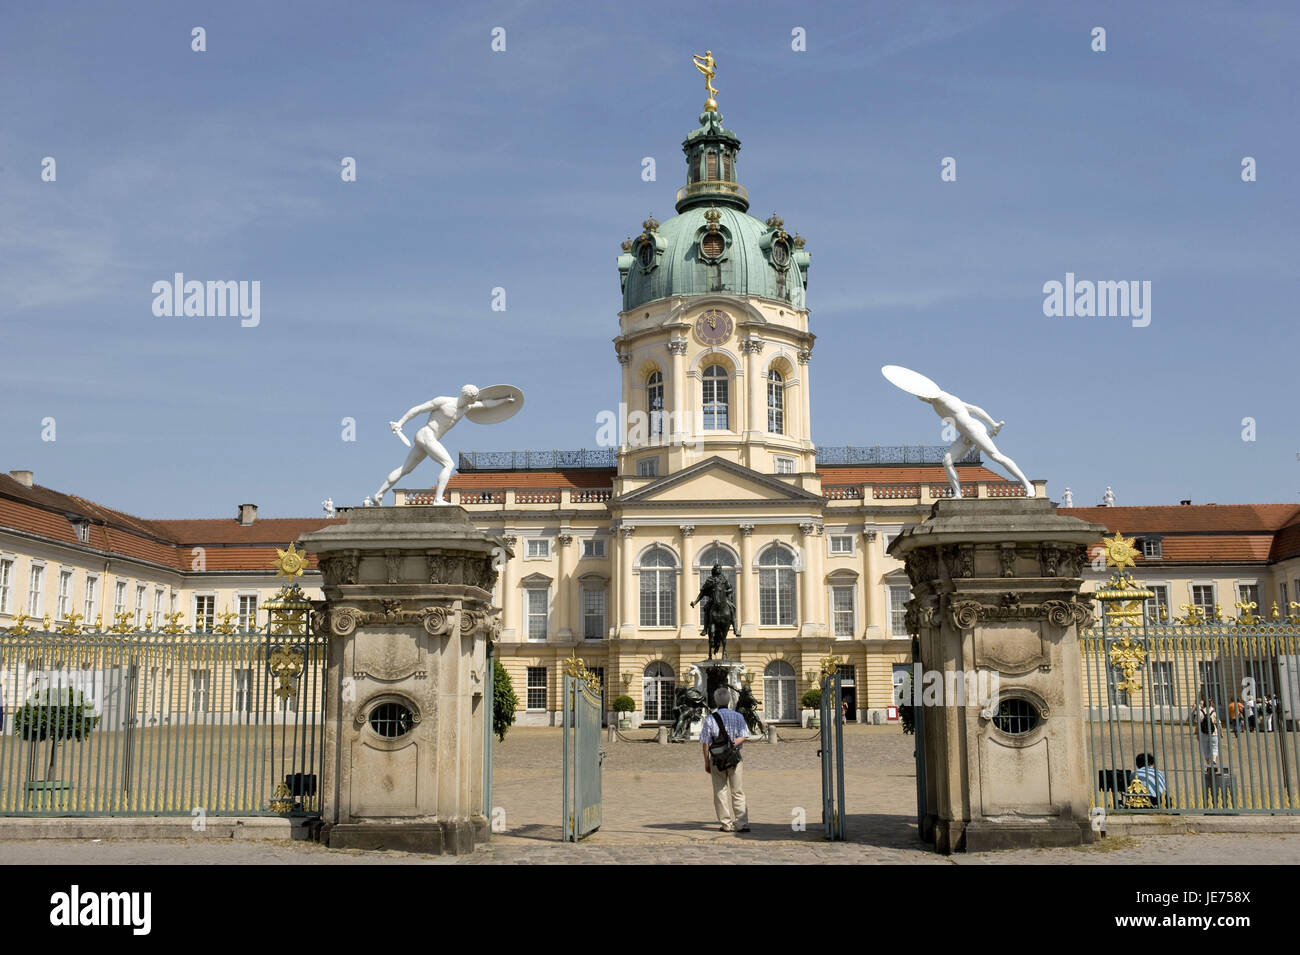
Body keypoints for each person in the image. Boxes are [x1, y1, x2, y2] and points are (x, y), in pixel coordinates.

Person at [700, 686, 749, 833]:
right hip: (734, 758)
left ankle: (726, 824)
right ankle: (741, 823)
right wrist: (732, 745)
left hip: (717, 759)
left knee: (720, 791)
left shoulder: (709, 719)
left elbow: (705, 743)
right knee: (738, 791)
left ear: (715, 701)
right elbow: (744, 736)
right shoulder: (738, 716)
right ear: (729, 700)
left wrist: (707, 762)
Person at [1194, 698, 1219, 767]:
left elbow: (1197, 723)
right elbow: (1218, 723)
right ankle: (1213, 760)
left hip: (1203, 732)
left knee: (1205, 749)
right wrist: (1221, 732)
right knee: (1214, 747)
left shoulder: (1200, 712)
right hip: (1213, 732)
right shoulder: (1213, 711)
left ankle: (1208, 764)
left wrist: (1197, 733)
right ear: (1211, 704)